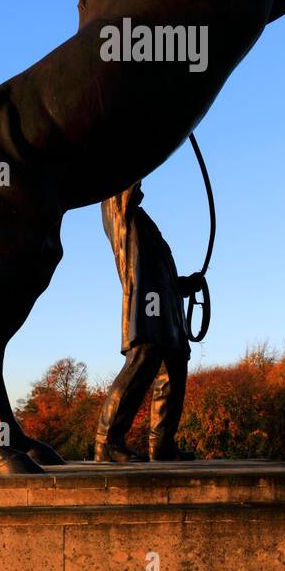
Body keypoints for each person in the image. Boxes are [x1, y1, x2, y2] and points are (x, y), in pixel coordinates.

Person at [95, 182, 195, 463]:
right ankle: (107, 442)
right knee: (142, 361)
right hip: (145, 304)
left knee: (174, 372)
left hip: (169, 309)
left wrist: (183, 285)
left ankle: (162, 445)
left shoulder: (145, 222)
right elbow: (131, 164)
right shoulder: (116, 207)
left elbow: (161, 273)